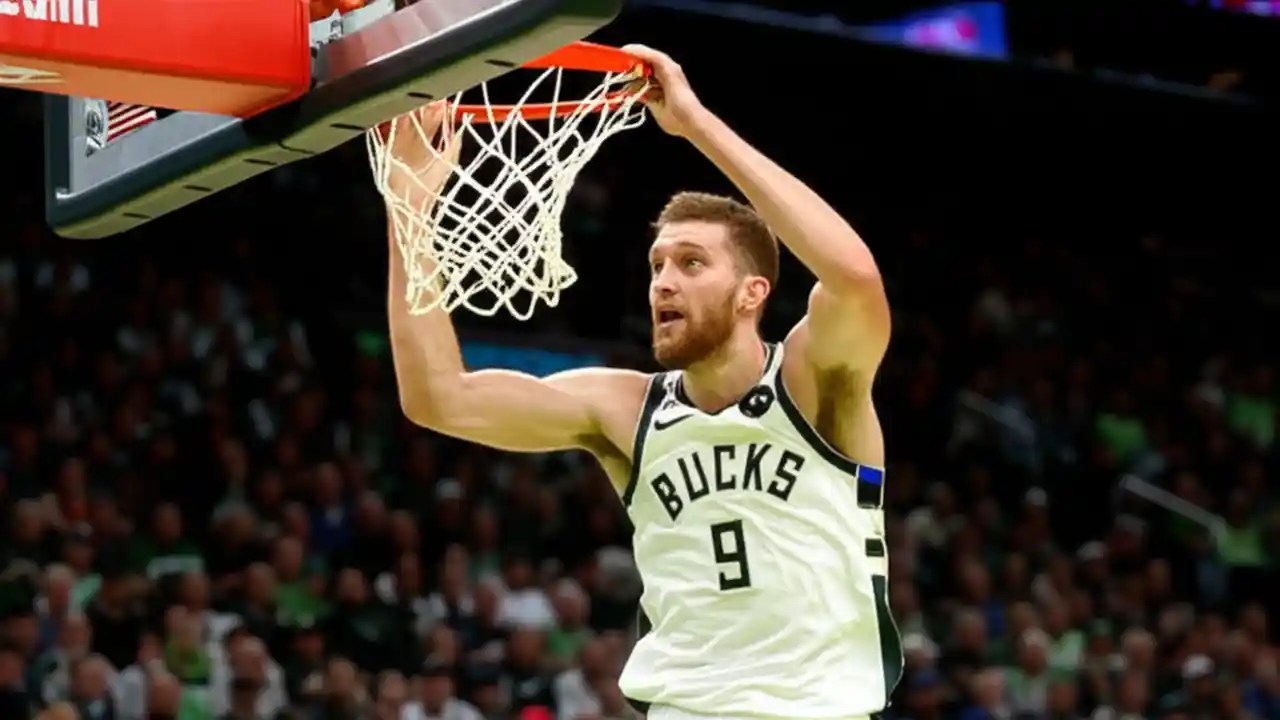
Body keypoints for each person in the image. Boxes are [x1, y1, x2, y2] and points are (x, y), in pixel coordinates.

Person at [382, 44, 902, 720]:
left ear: (752, 293)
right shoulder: (626, 408)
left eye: (691, 263)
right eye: (658, 264)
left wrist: (694, 124)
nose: (663, 281)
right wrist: (409, 211)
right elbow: (438, 397)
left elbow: (855, 279)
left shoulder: (814, 380)